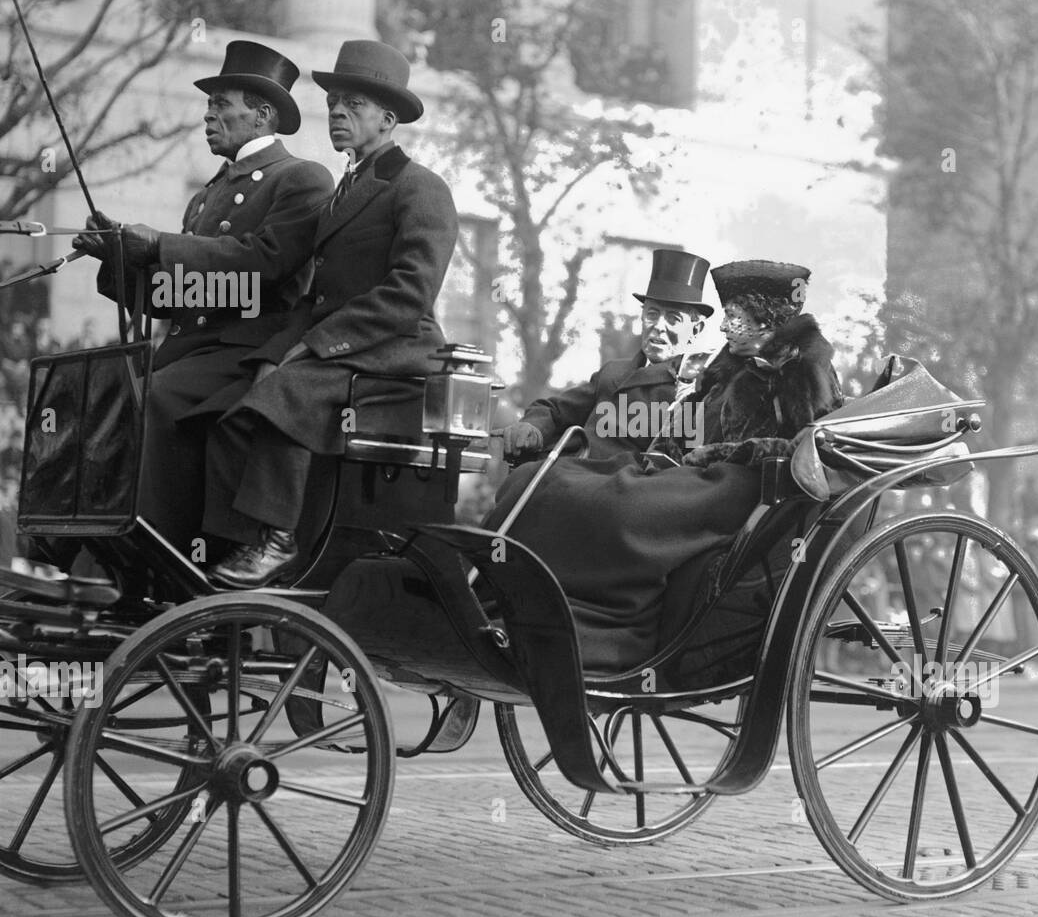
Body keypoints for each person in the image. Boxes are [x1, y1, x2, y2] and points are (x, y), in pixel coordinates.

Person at [172, 40, 458, 589]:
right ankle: (230, 548)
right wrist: (273, 353)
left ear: (388, 118)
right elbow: (314, 293)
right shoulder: (343, 190)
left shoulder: (419, 188)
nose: (338, 114)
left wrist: (315, 347)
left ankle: (277, 540)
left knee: (286, 395)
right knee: (235, 407)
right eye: (333, 105)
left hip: (396, 352)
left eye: (353, 105)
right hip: (340, 351)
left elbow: (410, 294)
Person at [486, 259, 842, 670]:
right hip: (694, 474)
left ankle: (613, 636)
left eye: (738, 320)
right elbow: (686, 422)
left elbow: (812, 443)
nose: (728, 330)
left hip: (747, 487)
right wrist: (661, 458)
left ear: (769, 321)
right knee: (547, 481)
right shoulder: (725, 366)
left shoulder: (802, 366)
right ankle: (523, 607)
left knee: (625, 508)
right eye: (728, 318)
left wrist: (727, 453)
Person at [72, 41, 335, 550]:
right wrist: (120, 259)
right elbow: (184, 296)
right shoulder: (207, 195)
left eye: (220, 104)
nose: (208, 116)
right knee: (93, 390)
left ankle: (154, 552)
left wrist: (159, 244)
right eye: (208, 106)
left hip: (246, 352)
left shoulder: (301, 178)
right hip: (194, 352)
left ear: (262, 115)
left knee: (153, 397)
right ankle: (72, 545)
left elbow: (259, 269)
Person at [501, 248, 713, 461]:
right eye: (652, 314)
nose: (658, 326)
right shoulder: (613, 373)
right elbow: (554, 410)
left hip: (635, 486)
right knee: (523, 480)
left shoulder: (697, 389)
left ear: (695, 330)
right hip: (579, 474)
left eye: (673, 319)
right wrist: (532, 428)